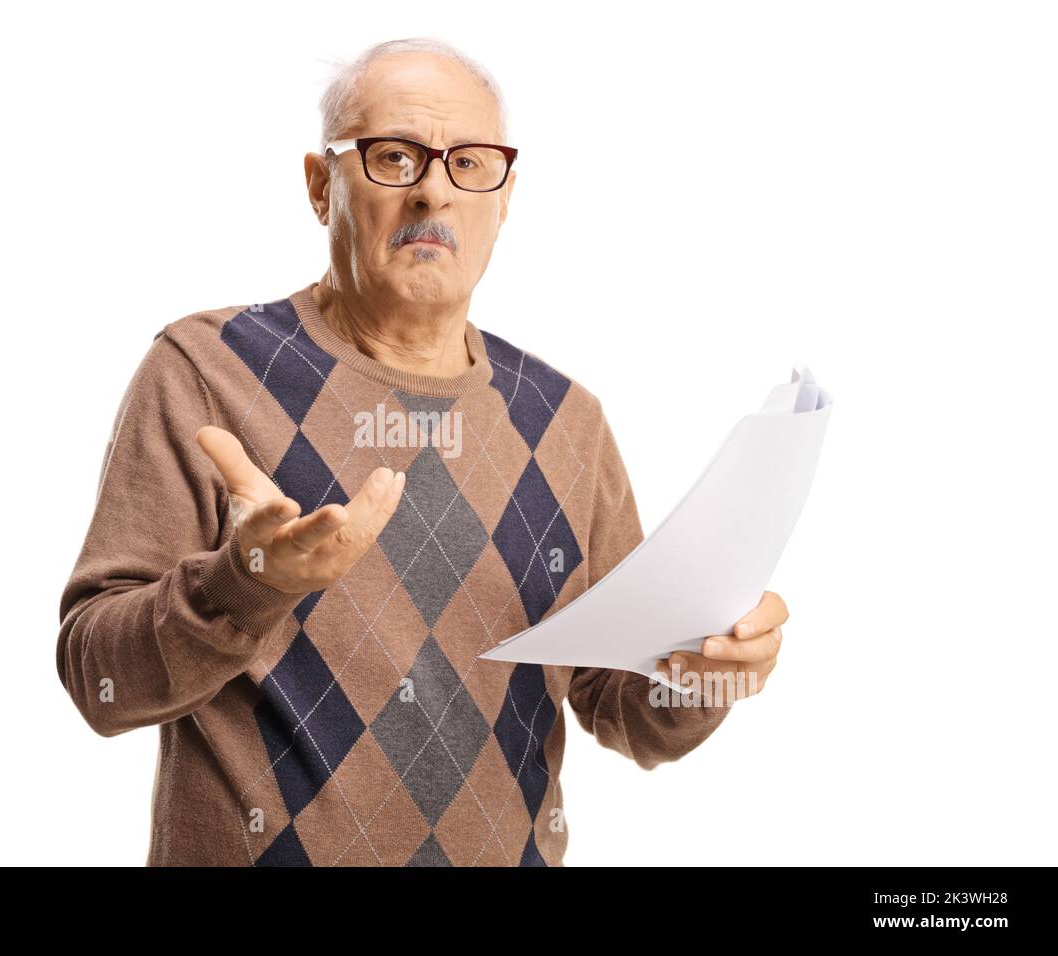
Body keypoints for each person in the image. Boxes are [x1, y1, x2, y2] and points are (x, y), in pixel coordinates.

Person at [57, 36, 787, 866]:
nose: (433, 190)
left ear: (504, 198)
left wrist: (703, 670)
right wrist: (244, 585)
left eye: (470, 163)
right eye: (394, 157)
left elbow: (621, 711)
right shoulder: (206, 371)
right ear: (319, 184)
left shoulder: (566, 421)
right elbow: (97, 683)